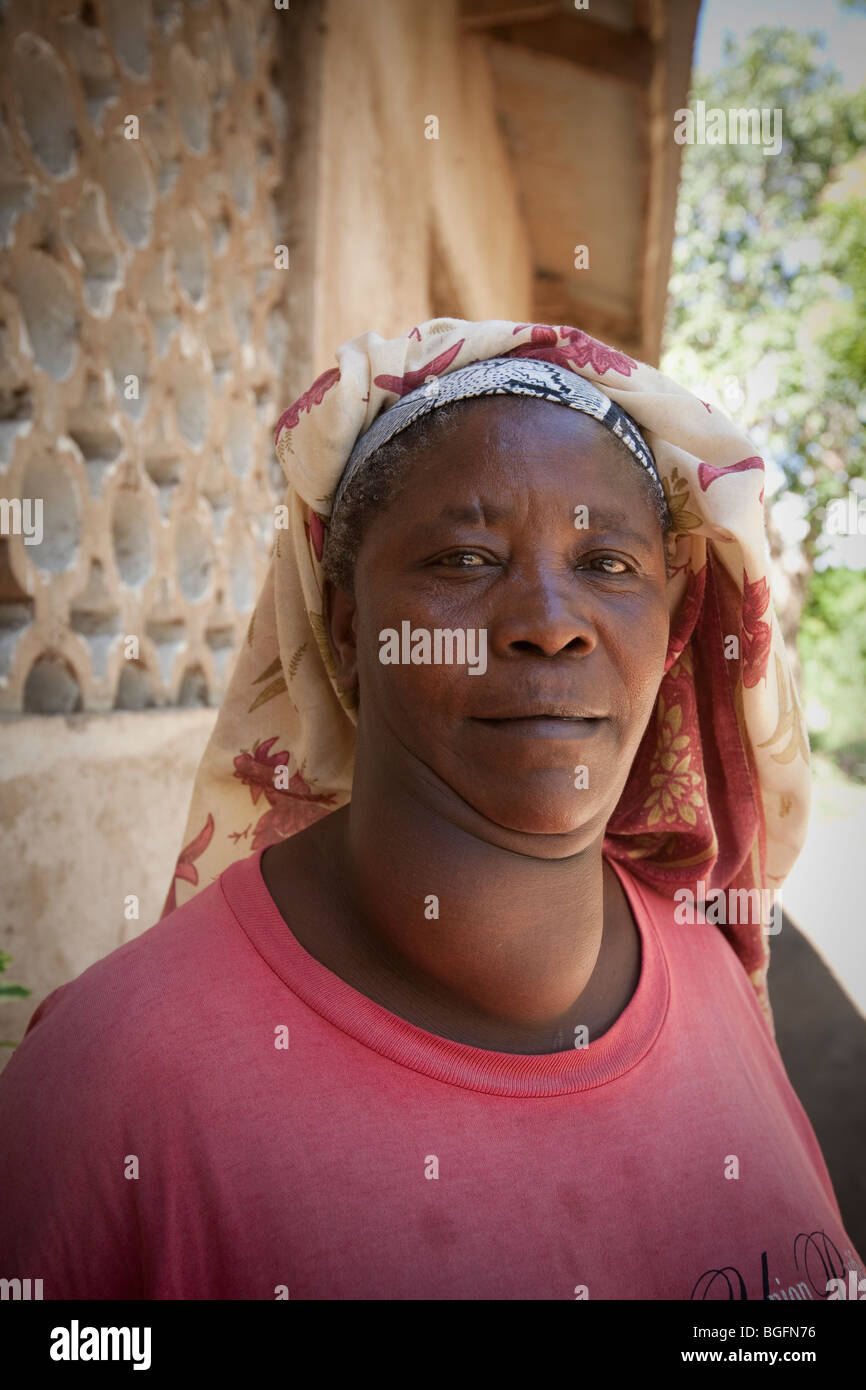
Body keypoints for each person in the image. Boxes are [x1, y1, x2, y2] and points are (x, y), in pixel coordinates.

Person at [0, 319, 861, 1301]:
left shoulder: (710, 970)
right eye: (464, 558)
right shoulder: (119, 1080)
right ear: (347, 628)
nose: (549, 625)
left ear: (671, 630)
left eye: (606, 564)